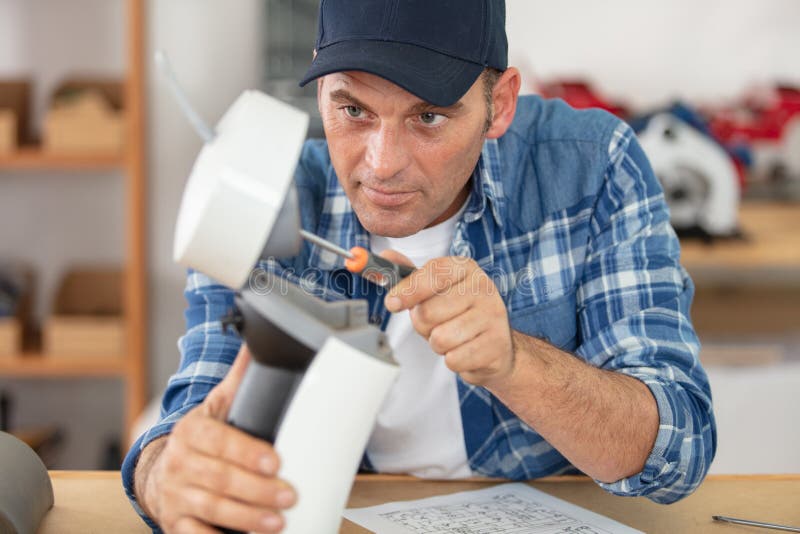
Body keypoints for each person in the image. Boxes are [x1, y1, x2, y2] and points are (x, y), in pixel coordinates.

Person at [123, 1, 717, 532]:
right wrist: (165, 476)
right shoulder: (261, 197)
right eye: (353, 108)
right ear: (322, 87)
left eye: (428, 117)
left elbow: (679, 451)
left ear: (500, 104)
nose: (382, 165)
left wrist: (514, 363)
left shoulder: (591, 167)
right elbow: (188, 416)